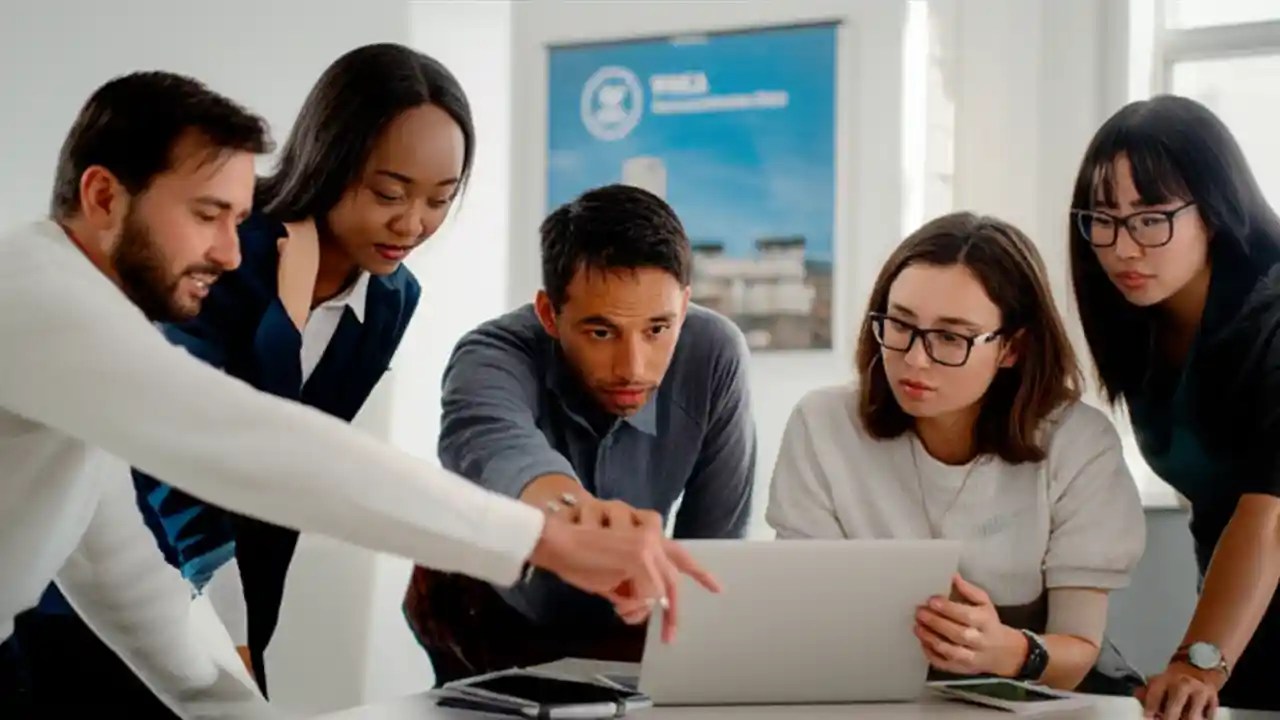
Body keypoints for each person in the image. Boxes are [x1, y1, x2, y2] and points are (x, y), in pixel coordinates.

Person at [0, 71, 716, 715]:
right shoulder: (36, 297)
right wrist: (544, 538)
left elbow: (121, 572)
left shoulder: (74, 341)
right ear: (102, 198)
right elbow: (253, 445)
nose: (227, 249)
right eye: (207, 214)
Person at [14, 43, 492, 707]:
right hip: (123, 590)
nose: (413, 224)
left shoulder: (392, 298)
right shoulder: (216, 252)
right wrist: (282, 329)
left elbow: (298, 462)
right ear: (332, 159)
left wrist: (244, 623)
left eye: (440, 200)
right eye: (389, 193)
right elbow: (194, 442)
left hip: (246, 581)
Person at [766, 212, 1146, 692]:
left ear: (1012, 348)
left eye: (951, 337)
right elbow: (804, 615)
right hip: (873, 693)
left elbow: (1077, 652)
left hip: (1040, 695)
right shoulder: (823, 424)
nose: (915, 359)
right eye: (900, 324)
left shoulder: (1077, 442)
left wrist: (1004, 649)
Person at [404, 183, 756, 683]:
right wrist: (577, 518)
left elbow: (715, 550)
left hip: (634, 621)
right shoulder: (489, 356)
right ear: (550, 313)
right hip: (488, 616)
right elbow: (501, 454)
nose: (633, 367)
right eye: (601, 332)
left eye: (658, 329)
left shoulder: (716, 353)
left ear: (684, 304)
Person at [1069, 94, 1280, 717]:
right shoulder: (1141, 321)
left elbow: (1267, 511)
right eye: (1102, 219)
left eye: (1150, 218)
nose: (1123, 248)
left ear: (1212, 212)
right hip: (1248, 622)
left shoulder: (1272, 317)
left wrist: (1198, 661)